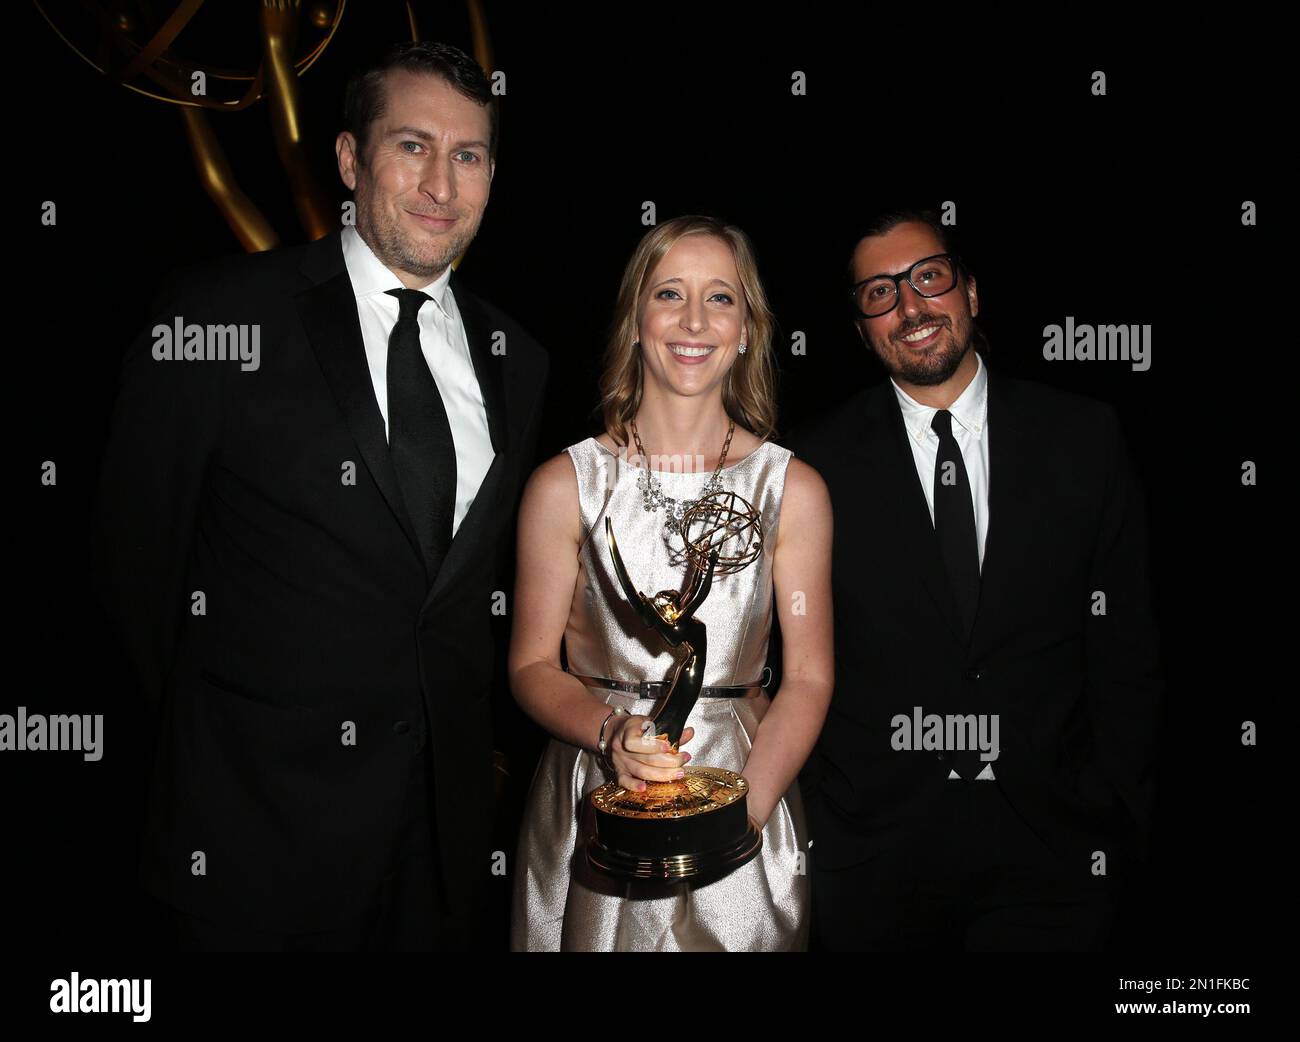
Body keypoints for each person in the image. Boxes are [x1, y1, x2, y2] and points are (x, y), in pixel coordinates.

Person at [91, 41, 549, 950]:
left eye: (467, 156)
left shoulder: (520, 362)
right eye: (411, 146)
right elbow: (128, 574)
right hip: (249, 845)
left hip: (440, 858)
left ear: (492, 176)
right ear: (349, 159)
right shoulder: (218, 317)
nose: (440, 185)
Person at [791, 208, 1162, 950]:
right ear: (862, 328)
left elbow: (1128, 646)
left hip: (1055, 853)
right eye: (880, 294)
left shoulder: (1084, 438)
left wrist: (1122, 814)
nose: (911, 306)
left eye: (928, 277)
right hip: (874, 867)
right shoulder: (810, 468)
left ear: (971, 293)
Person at [507, 215, 833, 950]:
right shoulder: (564, 486)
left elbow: (809, 678)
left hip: (746, 784)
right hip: (593, 791)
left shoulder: (795, 489)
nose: (694, 321)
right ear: (634, 320)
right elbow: (529, 666)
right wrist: (612, 734)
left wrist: (738, 817)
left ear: (748, 328)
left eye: (720, 298)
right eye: (669, 294)